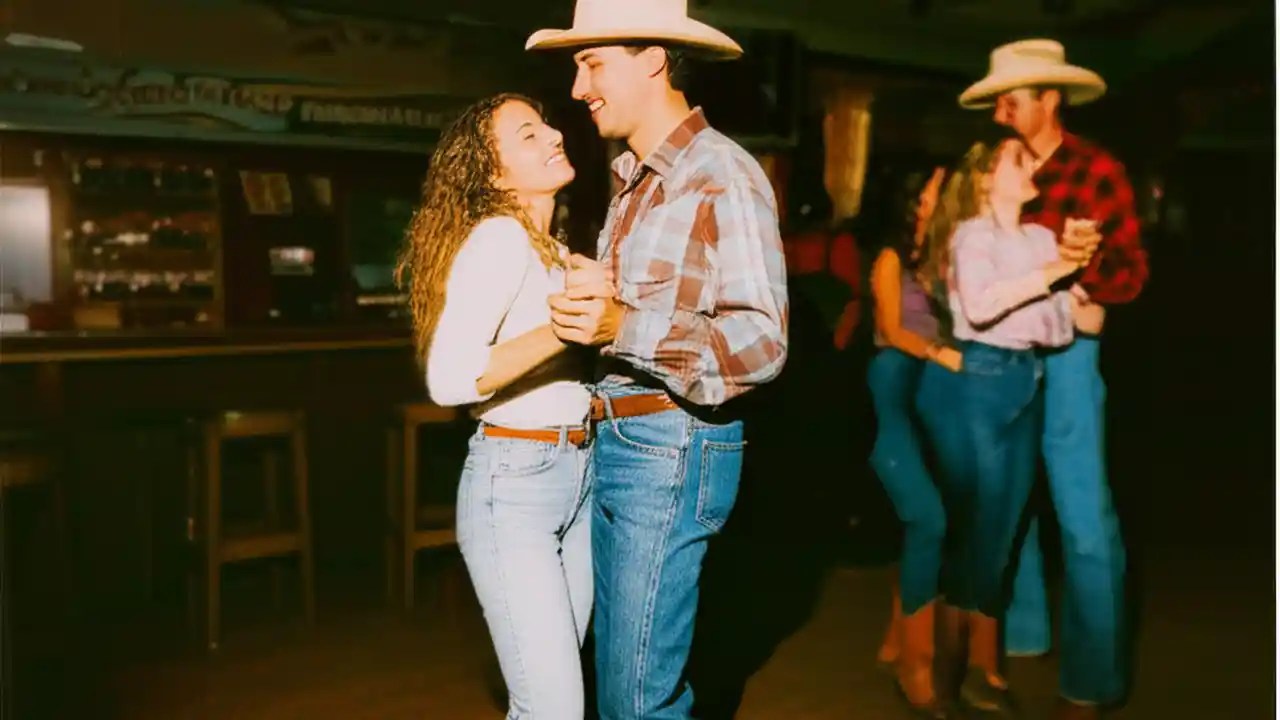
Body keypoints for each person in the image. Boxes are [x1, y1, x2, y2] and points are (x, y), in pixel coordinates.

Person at [525, 2, 790, 717]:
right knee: (621, 684)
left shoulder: (720, 174)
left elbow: (763, 342)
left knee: (637, 697)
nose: (579, 88)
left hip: (669, 446)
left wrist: (621, 323)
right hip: (627, 437)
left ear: (653, 59)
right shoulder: (633, 180)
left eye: (593, 62)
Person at [960, 39, 1149, 719]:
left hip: (1067, 355)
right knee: (1011, 504)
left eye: (1011, 95)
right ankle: (1026, 635)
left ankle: (1092, 681)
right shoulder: (988, 170)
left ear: (1050, 99)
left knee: (1082, 514)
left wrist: (1087, 276)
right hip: (996, 355)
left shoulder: (1096, 169)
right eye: (997, 96)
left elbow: (1131, 273)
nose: (1000, 107)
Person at [396, 93, 594, 720]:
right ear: (495, 173)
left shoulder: (555, 252)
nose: (554, 135)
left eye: (547, 125)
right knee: (554, 708)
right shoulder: (500, 238)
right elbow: (449, 379)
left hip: (579, 477)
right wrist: (566, 329)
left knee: (546, 703)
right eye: (528, 134)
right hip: (515, 485)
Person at [915, 137, 1098, 716]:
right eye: (1018, 157)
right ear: (989, 178)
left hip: (1026, 380)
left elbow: (1063, 324)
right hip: (976, 385)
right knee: (975, 535)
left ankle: (971, 673)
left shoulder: (1043, 239)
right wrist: (1055, 280)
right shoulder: (973, 235)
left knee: (1003, 537)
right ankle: (944, 684)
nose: (1032, 165)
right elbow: (982, 305)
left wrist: (1074, 286)